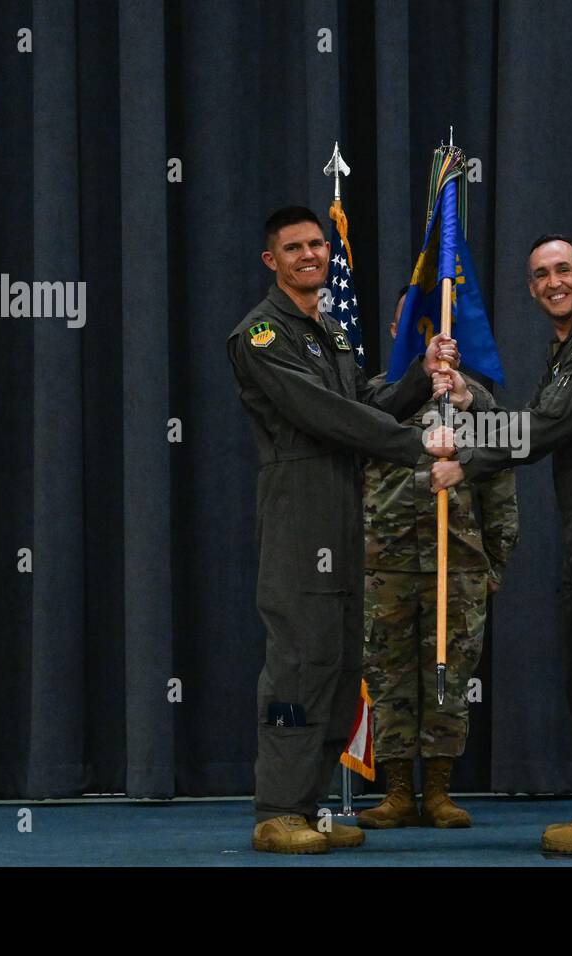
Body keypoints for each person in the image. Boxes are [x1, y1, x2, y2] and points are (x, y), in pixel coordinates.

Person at [227, 207, 460, 854]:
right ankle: (277, 810)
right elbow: (327, 414)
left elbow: (363, 403)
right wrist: (422, 447)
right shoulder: (261, 335)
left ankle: (309, 803)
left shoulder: (328, 330)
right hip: (299, 512)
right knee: (299, 663)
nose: (310, 255)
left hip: (343, 509)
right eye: (294, 247)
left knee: (335, 665)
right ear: (271, 260)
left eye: (317, 245)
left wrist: (420, 375)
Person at [430, 235, 572, 853]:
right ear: (531, 288)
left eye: (564, 270)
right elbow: (539, 414)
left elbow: (547, 426)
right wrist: (469, 399)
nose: (553, 282)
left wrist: (468, 460)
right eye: (540, 275)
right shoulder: (569, 345)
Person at [358, 288, 520, 829]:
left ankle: (441, 793)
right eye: (415, 323)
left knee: (449, 680)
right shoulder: (376, 399)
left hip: (460, 561)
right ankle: (399, 792)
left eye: (437, 324)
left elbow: (500, 484)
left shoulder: (480, 401)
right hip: (387, 562)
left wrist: (495, 560)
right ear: (396, 331)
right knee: (390, 677)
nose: (430, 334)